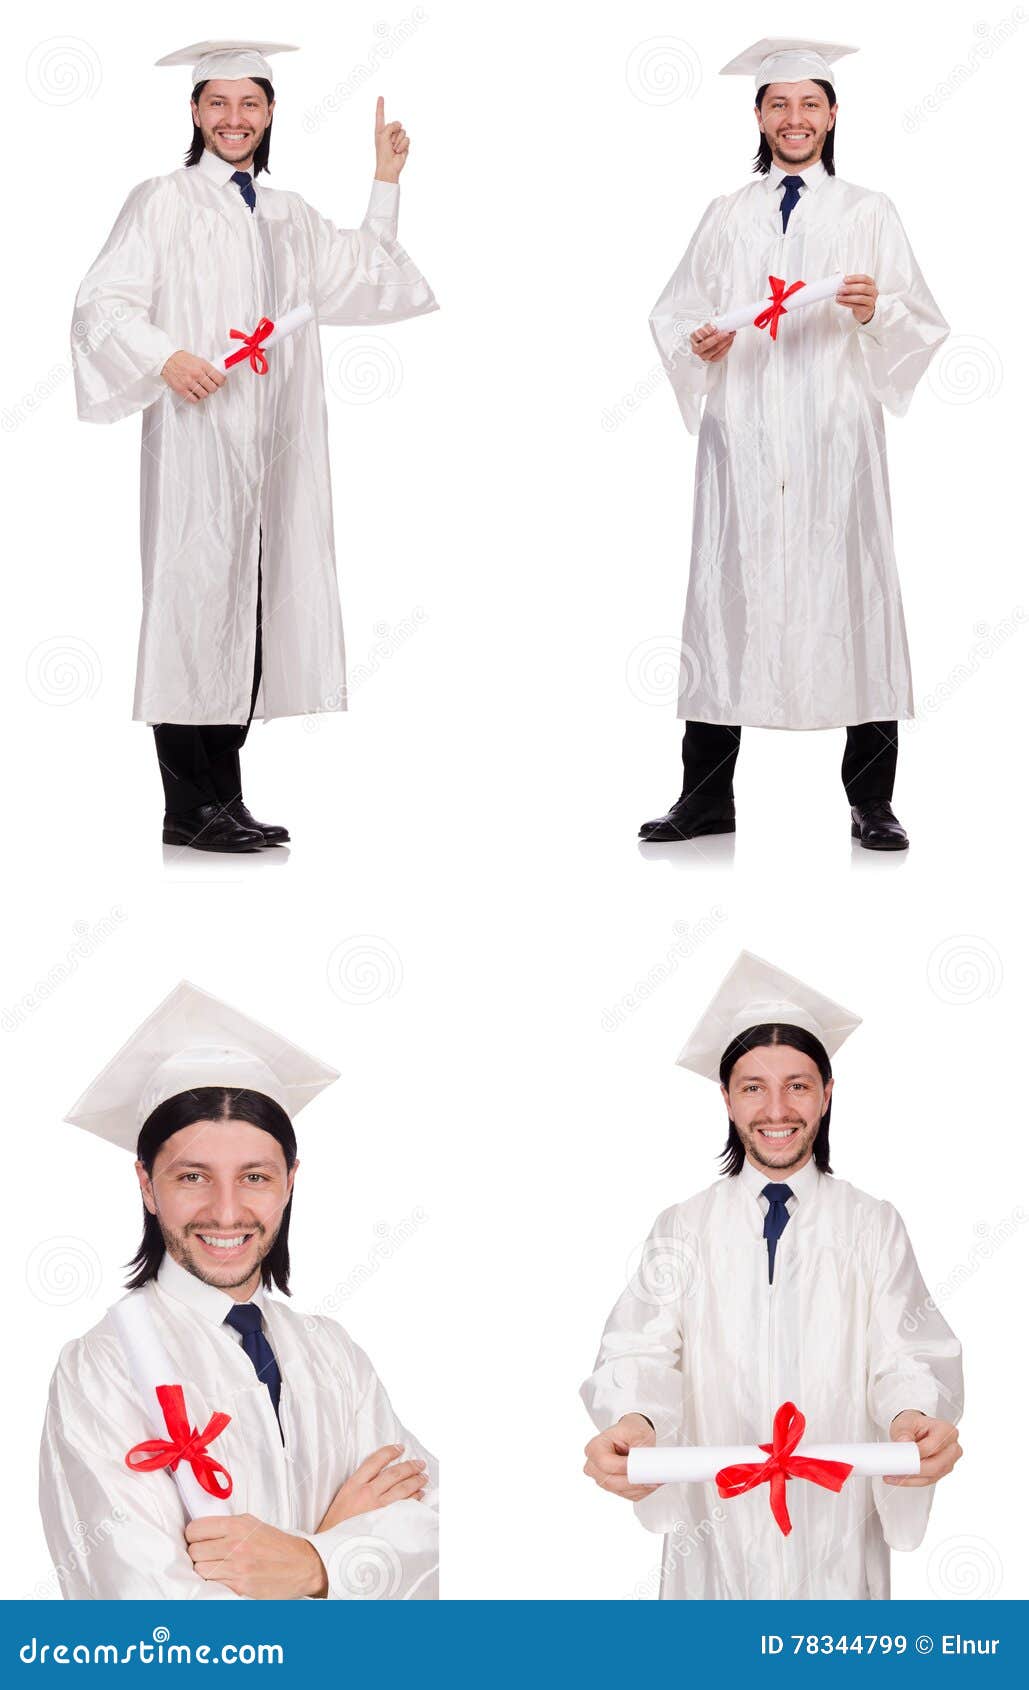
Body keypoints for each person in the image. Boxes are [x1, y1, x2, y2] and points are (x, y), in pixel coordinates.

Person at [71, 40, 438, 852]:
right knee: (190, 609)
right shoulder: (162, 201)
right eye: (218, 104)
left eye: (250, 105)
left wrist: (385, 182)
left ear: (270, 114)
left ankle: (224, 798)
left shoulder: (286, 214)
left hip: (275, 447)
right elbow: (102, 302)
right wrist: (165, 356)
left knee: (257, 613)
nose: (234, 120)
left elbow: (365, 276)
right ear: (195, 112)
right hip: (197, 441)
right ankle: (184, 807)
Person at [640, 39, 948, 852]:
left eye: (809, 103)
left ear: (833, 114)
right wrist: (695, 346)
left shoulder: (867, 212)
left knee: (856, 596)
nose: (794, 118)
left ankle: (871, 801)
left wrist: (870, 310)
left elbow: (921, 321)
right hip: (741, 437)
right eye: (778, 104)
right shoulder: (726, 214)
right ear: (757, 116)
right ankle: (704, 798)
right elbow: (674, 312)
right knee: (722, 599)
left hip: (834, 439)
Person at [581, 951, 962, 1599]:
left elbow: (903, 1349)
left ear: (826, 1094)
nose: (775, 1107)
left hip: (835, 1524)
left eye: (798, 1084)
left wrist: (910, 1419)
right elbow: (640, 1351)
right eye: (753, 1085)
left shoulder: (870, 1224)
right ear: (726, 1097)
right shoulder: (683, 1227)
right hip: (715, 1532)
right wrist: (636, 1424)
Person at [39, 981, 438, 1599]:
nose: (226, 1213)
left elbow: (434, 1532)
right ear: (147, 1185)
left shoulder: (334, 1355)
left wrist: (310, 1563)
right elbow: (151, 1615)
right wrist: (345, 1554)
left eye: (254, 1176)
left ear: (289, 1182)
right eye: (192, 1176)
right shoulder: (103, 1368)